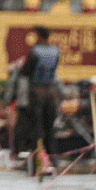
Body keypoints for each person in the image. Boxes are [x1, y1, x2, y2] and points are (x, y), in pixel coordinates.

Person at [15, 26, 60, 162]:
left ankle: (37, 158)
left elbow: (26, 72)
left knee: (36, 126)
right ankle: (51, 157)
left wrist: (18, 68)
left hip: (37, 91)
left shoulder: (35, 51)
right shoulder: (55, 51)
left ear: (39, 36)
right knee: (50, 126)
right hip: (51, 91)